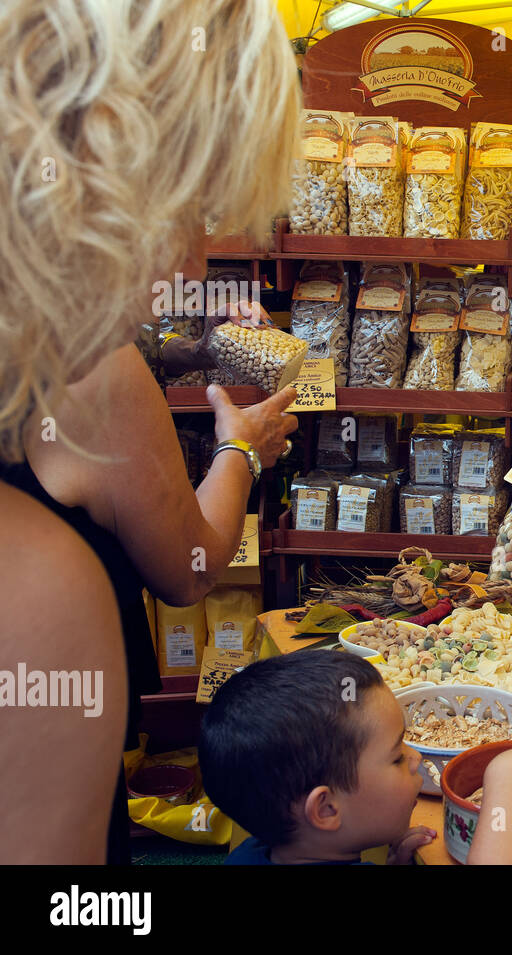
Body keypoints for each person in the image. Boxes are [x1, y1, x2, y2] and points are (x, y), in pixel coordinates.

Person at [0, 0, 300, 863]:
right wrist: (239, 446)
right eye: (191, 206)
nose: (197, 265)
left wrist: (188, 347)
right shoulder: (39, 590)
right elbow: (189, 566)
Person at [200, 653, 512, 865]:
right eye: (395, 756)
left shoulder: (250, 854)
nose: (416, 758)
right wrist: (506, 771)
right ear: (325, 809)